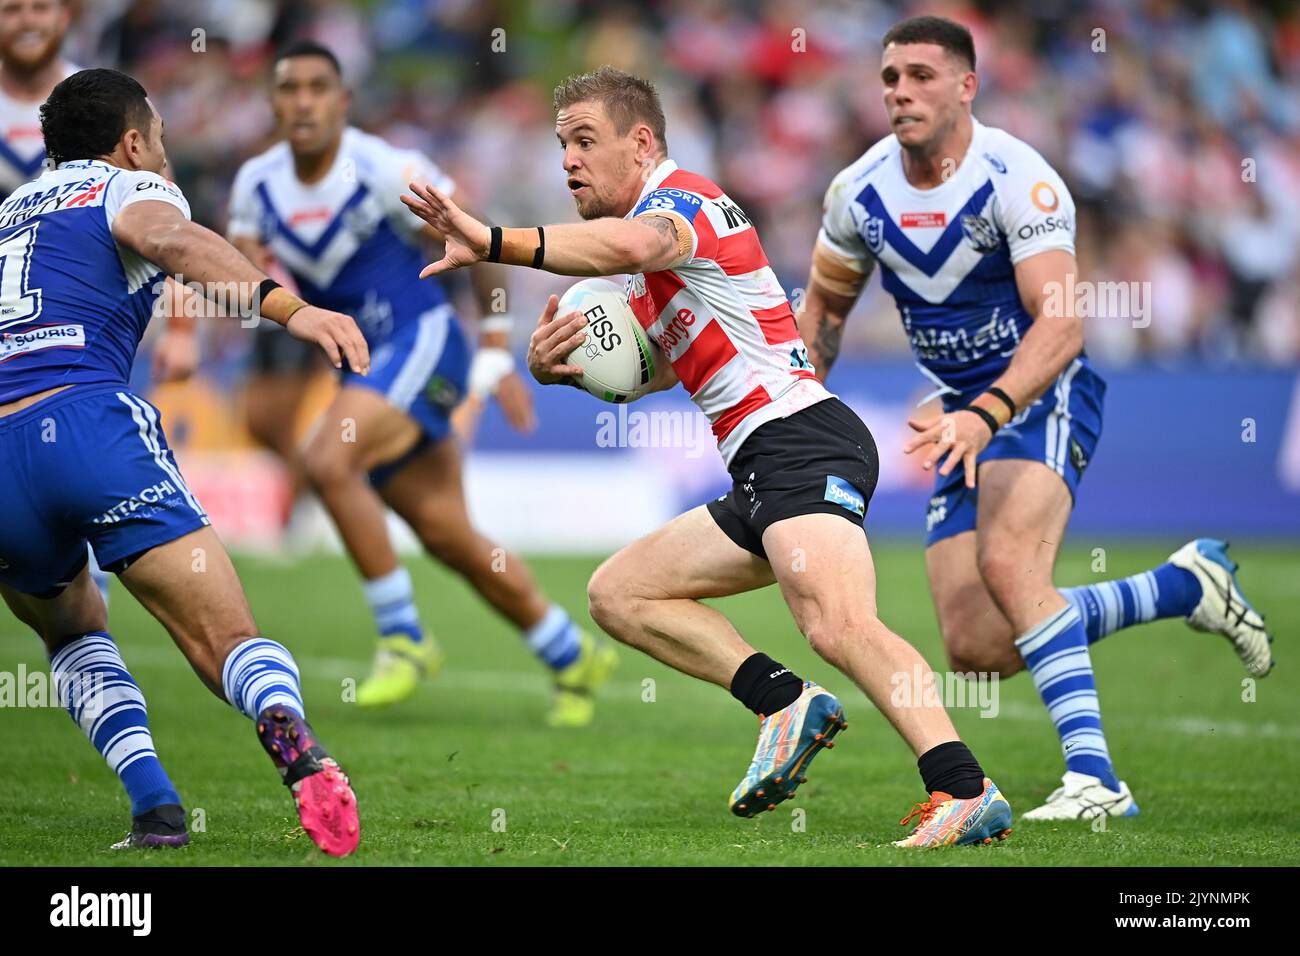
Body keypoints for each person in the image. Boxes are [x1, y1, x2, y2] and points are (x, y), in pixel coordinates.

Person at [402, 65, 1013, 847]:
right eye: (562, 144)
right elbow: (657, 368)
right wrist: (565, 370)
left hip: (800, 439)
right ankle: (784, 702)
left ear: (643, 141)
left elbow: (631, 240)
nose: (568, 161)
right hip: (759, 466)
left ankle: (964, 789)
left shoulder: (680, 203)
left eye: (585, 141)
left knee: (840, 623)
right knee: (621, 594)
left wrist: (492, 241)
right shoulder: (651, 271)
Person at [798, 15, 1273, 819]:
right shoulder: (857, 193)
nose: (901, 92)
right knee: (978, 649)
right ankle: (1181, 585)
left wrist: (989, 410)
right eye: (889, 78)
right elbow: (823, 315)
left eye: (920, 75)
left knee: (1014, 565)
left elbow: (1062, 322)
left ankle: (1097, 783)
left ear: (967, 85)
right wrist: (794, 409)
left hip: (1039, 392)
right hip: (958, 416)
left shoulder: (1019, 178)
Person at [0, 67, 368, 854]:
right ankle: (281, 720)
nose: (165, 155)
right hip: (87, 422)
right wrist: (291, 309)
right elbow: (169, 242)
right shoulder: (128, 187)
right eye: (160, 138)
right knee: (223, 638)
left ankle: (156, 809)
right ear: (132, 142)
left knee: (70, 633)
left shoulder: (8, 214)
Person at [228, 42, 615, 723]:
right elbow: (236, 274)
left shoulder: (384, 168)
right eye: (290, 88)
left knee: (327, 458)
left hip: (425, 342)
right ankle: (570, 653)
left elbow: (482, 237)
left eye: (320, 87)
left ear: (343, 101)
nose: (304, 101)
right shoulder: (255, 187)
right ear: (274, 101)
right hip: (370, 370)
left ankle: (403, 637)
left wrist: (495, 344)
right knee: (449, 536)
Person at [0, 0, 198, 607]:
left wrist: (183, 325)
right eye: (12, 9)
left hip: (90, 316)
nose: (28, 20)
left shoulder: (96, 102)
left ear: (67, 16)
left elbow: (169, 231)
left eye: (41, 6)